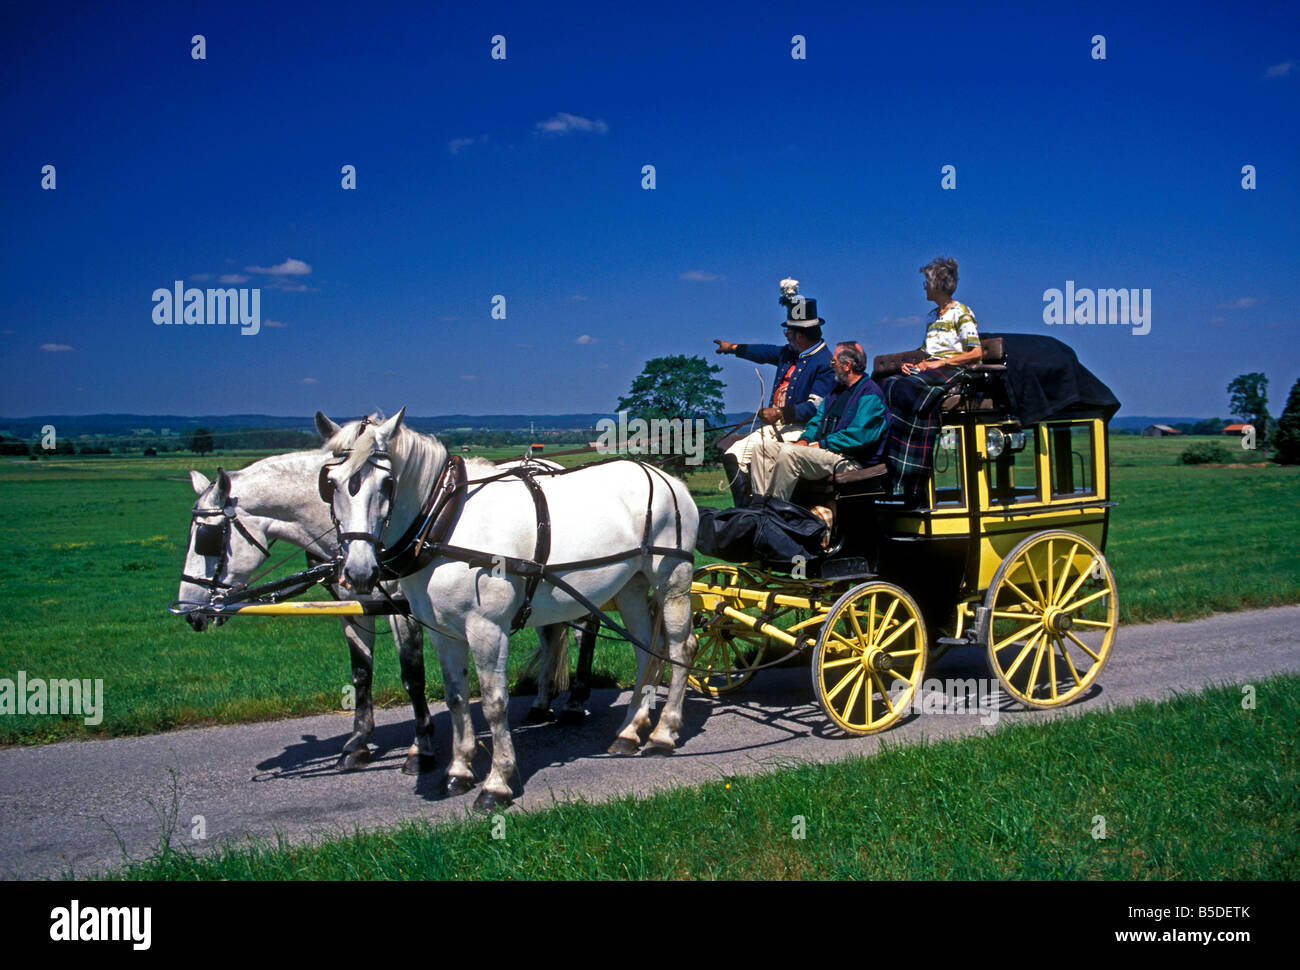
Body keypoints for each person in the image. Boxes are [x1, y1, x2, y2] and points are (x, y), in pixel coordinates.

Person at [713, 278, 835, 506]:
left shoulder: (825, 363)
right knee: (733, 455)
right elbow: (765, 352)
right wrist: (734, 349)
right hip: (774, 429)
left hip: (802, 431)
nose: (786, 335)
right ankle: (746, 511)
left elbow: (813, 408)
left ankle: (765, 510)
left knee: (761, 453)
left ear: (800, 335)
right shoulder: (790, 353)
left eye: (789, 331)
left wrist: (779, 414)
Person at [883, 256, 983, 506]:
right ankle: (898, 464)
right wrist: (913, 364)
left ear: (938, 284)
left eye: (926, 282)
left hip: (955, 370)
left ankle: (911, 474)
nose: (924, 287)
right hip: (932, 369)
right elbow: (927, 351)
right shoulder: (931, 317)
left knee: (908, 388)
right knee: (890, 384)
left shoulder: (961, 313)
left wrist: (940, 363)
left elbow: (976, 352)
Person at [749, 341, 888, 502]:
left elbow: (859, 435)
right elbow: (817, 420)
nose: (831, 366)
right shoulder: (835, 393)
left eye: (833, 362)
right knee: (762, 448)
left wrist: (822, 444)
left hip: (850, 461)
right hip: (826, 453)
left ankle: (775, 513)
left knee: (789, 453)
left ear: (847, 365)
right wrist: (805, 439)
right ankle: (759, 506)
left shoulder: (870, 394)